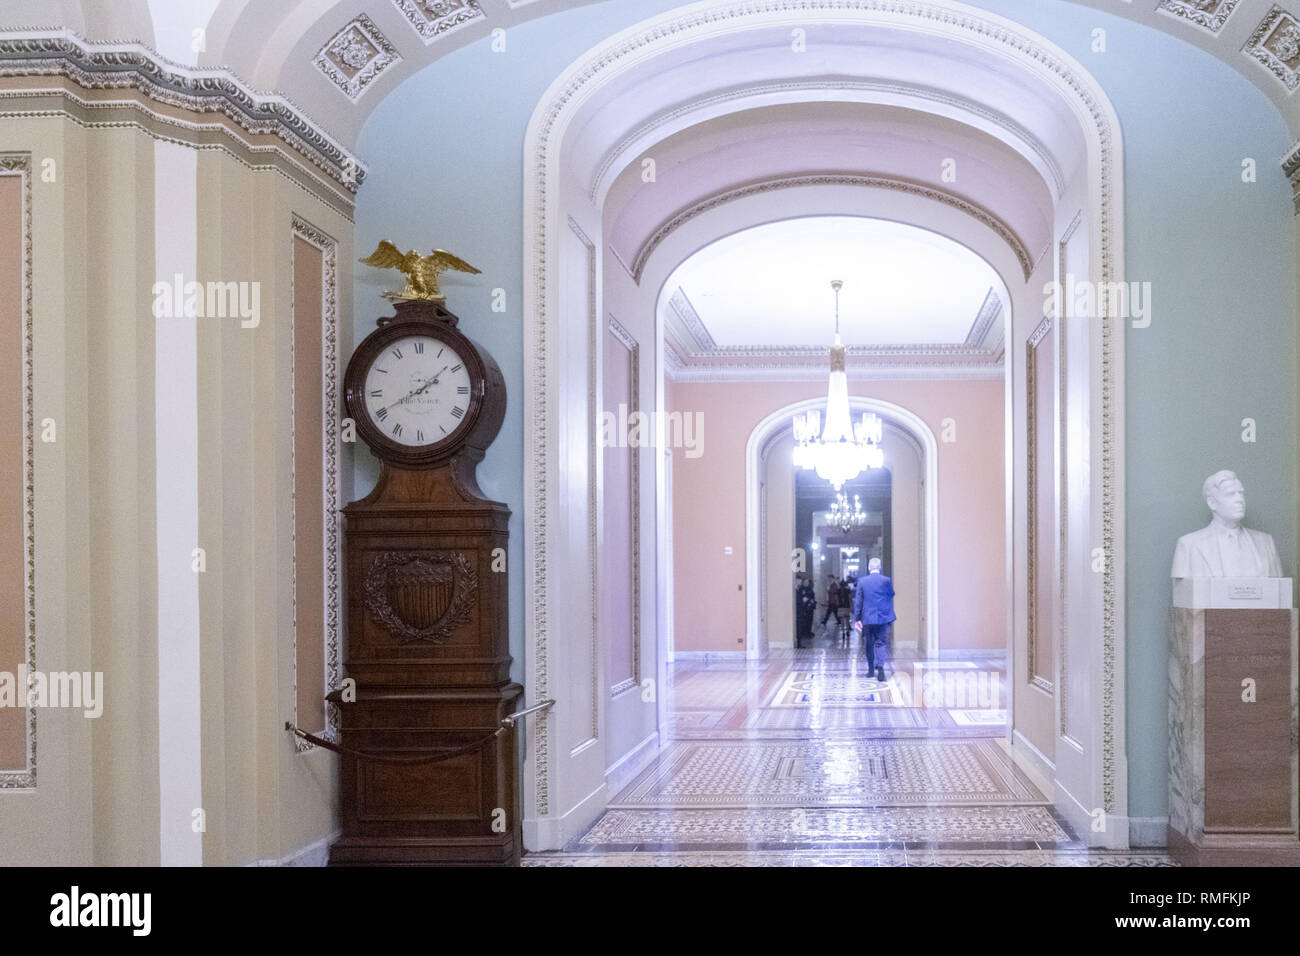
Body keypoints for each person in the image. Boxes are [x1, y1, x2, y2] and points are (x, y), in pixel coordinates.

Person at [852, 557, 896, 682]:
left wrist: (857, 618)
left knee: (869, 644)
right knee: (881, 643)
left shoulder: (862, 581)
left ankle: (871, 670)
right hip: (882, 617)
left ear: (869, 568)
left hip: (867, 618)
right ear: (880, 567)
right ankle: (880, 668)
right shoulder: (886, 580)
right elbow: (891, 594)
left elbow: (858, 601)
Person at [794, 576, 816, 647]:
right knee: (799, 626)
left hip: (805, 609)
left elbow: (811, 597)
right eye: (800, 581)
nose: (801, 583)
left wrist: (811, 602)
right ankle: (799, 642)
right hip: (799, 610)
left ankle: (800, 642)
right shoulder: (797, 589)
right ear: (796, 581)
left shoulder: (806, 589)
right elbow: (797, 600)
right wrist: (803, 600)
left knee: (805, 623)